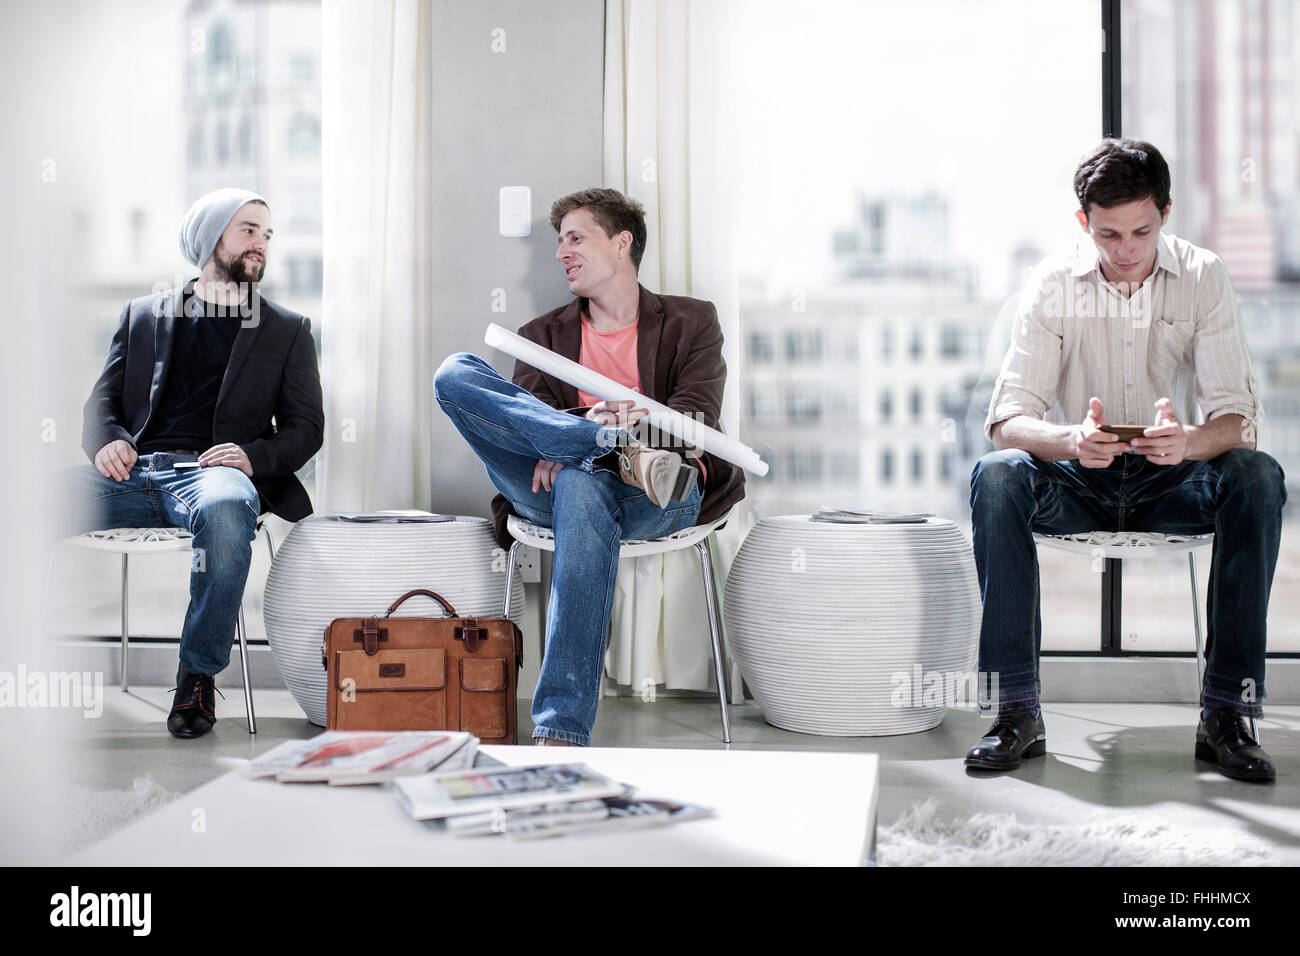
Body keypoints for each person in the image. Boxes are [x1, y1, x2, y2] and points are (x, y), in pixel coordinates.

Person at [967, 139, 1286, 781]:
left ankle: (1228, 713)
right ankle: (1016, 712)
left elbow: (1239, 420)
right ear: (1084, 222)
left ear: (1165, 213)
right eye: (1108, 233)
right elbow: (1005, 422)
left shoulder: (1203, 276)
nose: (1127, 250)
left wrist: (1190, 442)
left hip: (1173, 482)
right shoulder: (1054, 282)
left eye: (1142, 230)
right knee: (996, 477)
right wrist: (1069, 441)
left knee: (1258, 476)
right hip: (1078, 479)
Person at [434, 187, 745, 746]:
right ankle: (597, 443)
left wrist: (603, 436)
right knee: (455, 373)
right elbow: (528, 434)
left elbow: (698, 421)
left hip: (658, 491)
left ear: (622, 243)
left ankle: (560, 731)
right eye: (559, 242)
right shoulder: (540, 337)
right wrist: (594, 431)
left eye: (575, 237)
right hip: (543, 484)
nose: (561, 253)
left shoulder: (692, 322)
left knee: (578, 480)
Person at [71, 188, 324, 739]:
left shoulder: (287, 330)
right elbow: (101, 405)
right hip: (131, 473)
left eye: (267, 234)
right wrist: (107, 441)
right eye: (248, 230)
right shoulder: (143, 315)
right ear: (211, 238)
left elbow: (307, 429)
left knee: (231, 514)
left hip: (212, 477)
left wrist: (252, 457)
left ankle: (197, 677)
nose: (262, 244)